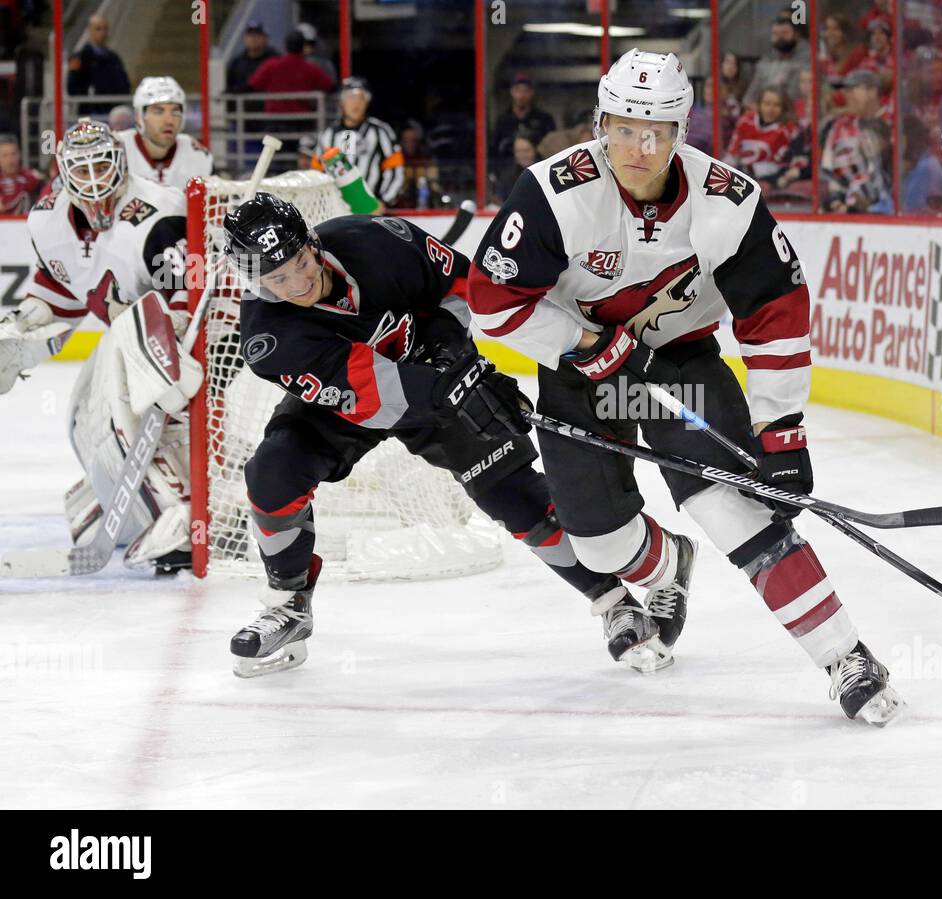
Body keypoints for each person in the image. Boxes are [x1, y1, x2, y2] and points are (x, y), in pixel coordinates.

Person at [466, 49, 904, 724]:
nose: (638, 148)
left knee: (737, 510)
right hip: (581, 373)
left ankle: (846, 656)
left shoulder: (726, 201)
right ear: (599, 122)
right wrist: (580, 343)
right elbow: (493, 299)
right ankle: (668, 562)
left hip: (678, 365)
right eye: (622, 127)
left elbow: (776, 317)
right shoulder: (553, 192)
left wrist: (780, 429)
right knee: (599, 546)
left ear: (681, 132)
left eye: (657, 132)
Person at [220, 196, 658, 676]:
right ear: (256, 282)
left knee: (511, 495)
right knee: (273, 472)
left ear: (311, 242)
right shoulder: (270, 338)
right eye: (278, 279)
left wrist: (450, 348)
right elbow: (377, 394)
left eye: (300, 262)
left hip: (429, 373)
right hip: (347, 404)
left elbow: (464, 283)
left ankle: (615, 600)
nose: (299, 282)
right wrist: (462, 383)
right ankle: (288, 605)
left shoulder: (375, 239)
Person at [0, 120, 197, 574]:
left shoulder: (158, 213)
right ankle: (128, 507)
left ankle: (184, 506)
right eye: (82, 171)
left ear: (120, 164)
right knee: (81, 418)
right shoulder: (48, 218)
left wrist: (165, 354)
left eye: (102, 167)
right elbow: (61, 290)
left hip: (184, 349)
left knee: (125, 403)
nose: (94, 182)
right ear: (64, 174)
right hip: (130, 341)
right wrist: (25, 326)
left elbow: (187, 302)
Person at [314, 77, 404, 209]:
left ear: (367, 102)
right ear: (342, 102)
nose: (356, 103)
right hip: (335, 211)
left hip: (371, 209)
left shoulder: (380, 131)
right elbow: (317, 173)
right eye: (350, 97)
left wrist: (384, 201)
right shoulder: (328, 135)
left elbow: (395, 170)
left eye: (361, 97)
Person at [114, 76, 213, 189]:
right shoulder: (117, 151)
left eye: (175, 111)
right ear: (139, 117)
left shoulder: (197, 155)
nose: (169, 121)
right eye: (158, 112)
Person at [820, 70, 892, 214]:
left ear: (872, 91)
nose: (847, 95)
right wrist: (835, 200)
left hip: (882, 207)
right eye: (846, 90)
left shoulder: (893, 122)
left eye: (853, 89)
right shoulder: (838, 126)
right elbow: (827, 171)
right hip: (841, 205)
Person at [723, 86, 799, 190]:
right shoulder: (745, 121)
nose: (770, 109)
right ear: (759, 104)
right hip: (741, 173)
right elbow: (732, 153)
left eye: (776, 105)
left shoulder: (787, 129)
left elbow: (779, 165)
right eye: (766, 104)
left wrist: (749, 170)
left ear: (784, 108)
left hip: (768, 177)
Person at [247, 29, 335, 117]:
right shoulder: (310, 68)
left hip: (275, 120)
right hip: (302, 121)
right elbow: (331, 87)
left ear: (286, 46)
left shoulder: (270, 65)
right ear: (302, 47)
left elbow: (251, 86)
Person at [742, 12, 811, 110]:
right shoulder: (765, 61)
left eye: (785, 33)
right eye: (775, 34)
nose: (780, 38)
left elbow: (794, 96)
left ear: (796, 34)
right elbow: (748, 99)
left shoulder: (808, 57)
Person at [66, 14, 130, 115]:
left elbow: (124, 83)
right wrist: (88, 98)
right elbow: (72, 87)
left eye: (105, 29)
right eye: (98, 29)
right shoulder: (80, 57)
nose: (103, 33)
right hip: (90, 111)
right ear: (89, 30)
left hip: (113, 111)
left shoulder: (114, 58)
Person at [490, 73, 556, 165]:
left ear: (532, 92)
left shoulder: (544, 119)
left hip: (538, 168)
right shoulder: (503, 120)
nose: (521, 95)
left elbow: (553, 147)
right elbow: (494, 150)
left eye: (526, 91)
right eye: (518, 90)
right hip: (507, 170)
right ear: (511, 91)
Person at [226, 21, 279, 96]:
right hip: (243, 107)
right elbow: (230, 86)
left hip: (267, 106)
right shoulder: (237, 62)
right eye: (250, 35)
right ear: (244, 38)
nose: (253, 39)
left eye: (257, 35)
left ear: (265, 38)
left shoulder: (275, 60)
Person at [0, 133, 45, 214]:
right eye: (5, 155)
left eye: (13, 154)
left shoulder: (32, 177)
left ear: (19, 154)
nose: (10, 160)